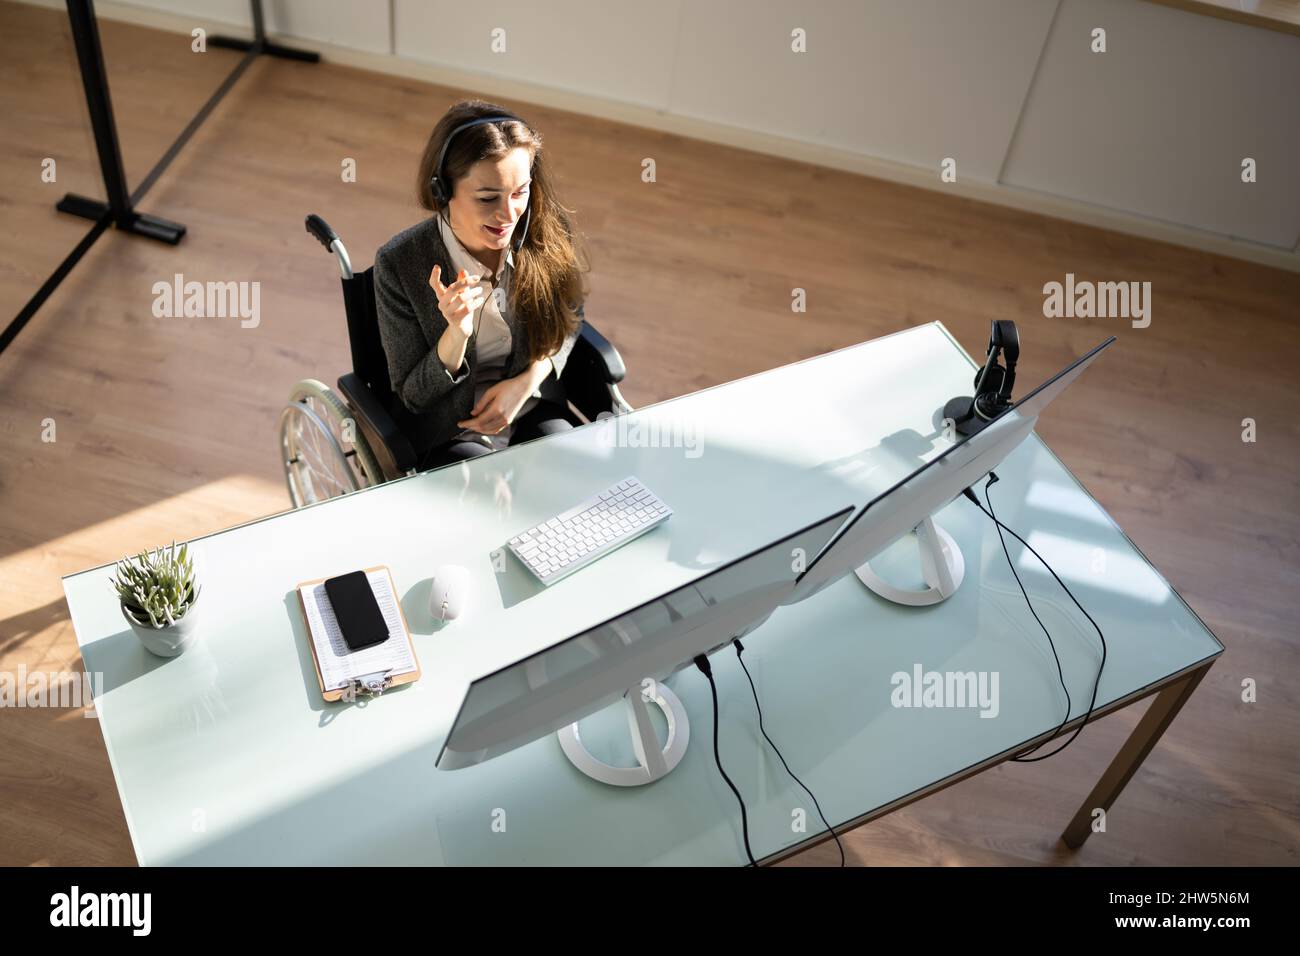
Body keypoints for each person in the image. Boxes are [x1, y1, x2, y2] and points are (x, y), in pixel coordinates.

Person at [374, 99, 590, 471]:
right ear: (442, 192)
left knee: (568, 470)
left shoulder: (544, 232)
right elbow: (414, 397)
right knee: (484, 494)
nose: (509, 215)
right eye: (488, 197)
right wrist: (455, 334)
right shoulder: (399, 264)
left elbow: (570, 314)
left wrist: (528, 380)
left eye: (520, 191)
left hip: (530, 402)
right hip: (450, 432)